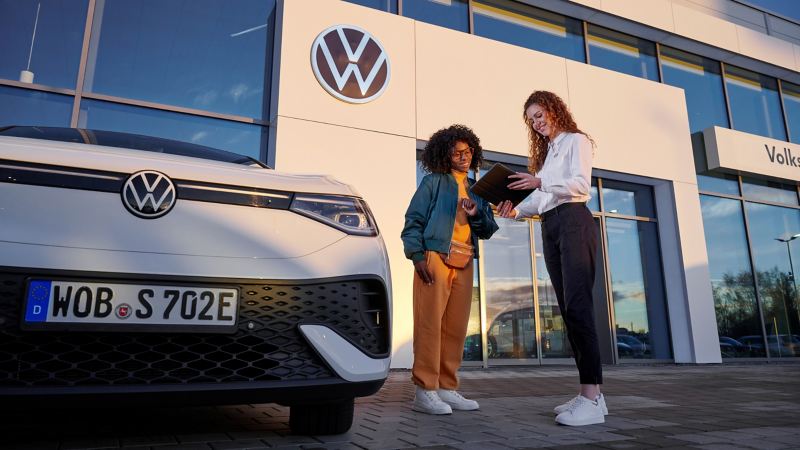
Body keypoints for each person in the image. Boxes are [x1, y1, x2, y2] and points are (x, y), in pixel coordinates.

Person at [497, 91, 608, 426]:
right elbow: (542, 201)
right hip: (552, 225)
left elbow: (580, 185)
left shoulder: (577, 141)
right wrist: (514, 209)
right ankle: (593, 396)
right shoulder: (548, 155)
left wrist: (540, 179)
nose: (537, 122)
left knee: (578, 307)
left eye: (540, 113)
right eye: (531, 119)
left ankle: (591, 397)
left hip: (575, 220)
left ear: (555, 109)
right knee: (567, 309)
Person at [401, 124, 499, 415]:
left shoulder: (478, 190)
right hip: (434, 257)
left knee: (455, 328)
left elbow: (489, 228)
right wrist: (417, 256)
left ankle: (447, 388)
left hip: (465, 260)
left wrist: (476, 212)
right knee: (429, 324)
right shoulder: (433, 182)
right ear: (445, 155)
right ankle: (425, 391)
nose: (463, 156)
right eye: (456, 152)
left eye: (467, 151)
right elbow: (413, 221)